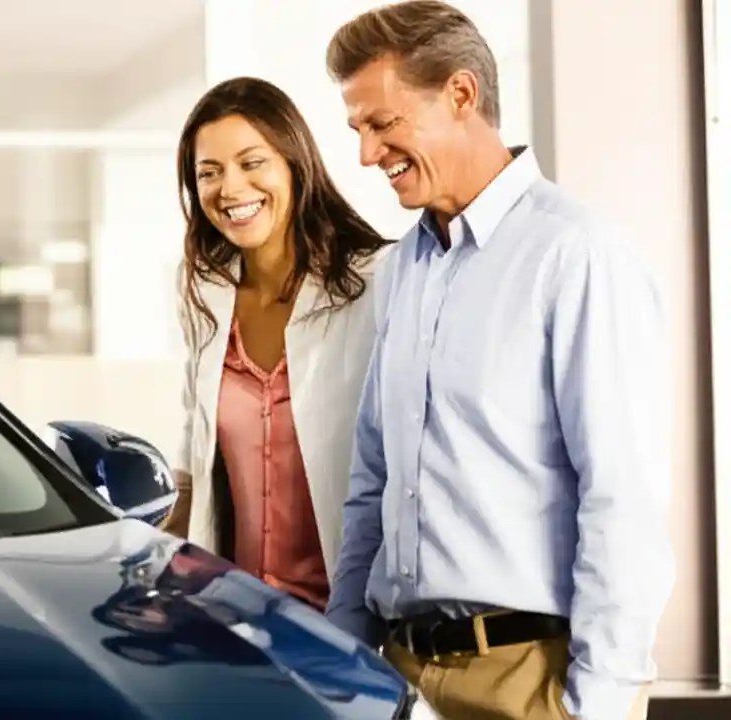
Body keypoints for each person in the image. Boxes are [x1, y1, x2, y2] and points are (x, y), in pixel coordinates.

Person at [321, 3, 673, 719]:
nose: (367, 153)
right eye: (357, 130)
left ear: (461, 93)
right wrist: (345, 656)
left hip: (531, 682)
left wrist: (596, 704)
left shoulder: (575, 254)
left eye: (382, 124)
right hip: (399, 674)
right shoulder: (402, 270)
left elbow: (623, 497)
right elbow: (373, 481)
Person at [160, 76, 392, 614]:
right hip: (236, 615)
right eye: (209, 172)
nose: (230, 189)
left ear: (294, 162)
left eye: (252, 163)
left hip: (349, 622)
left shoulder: (375, 282)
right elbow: (195, 457)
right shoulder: (204, 290)